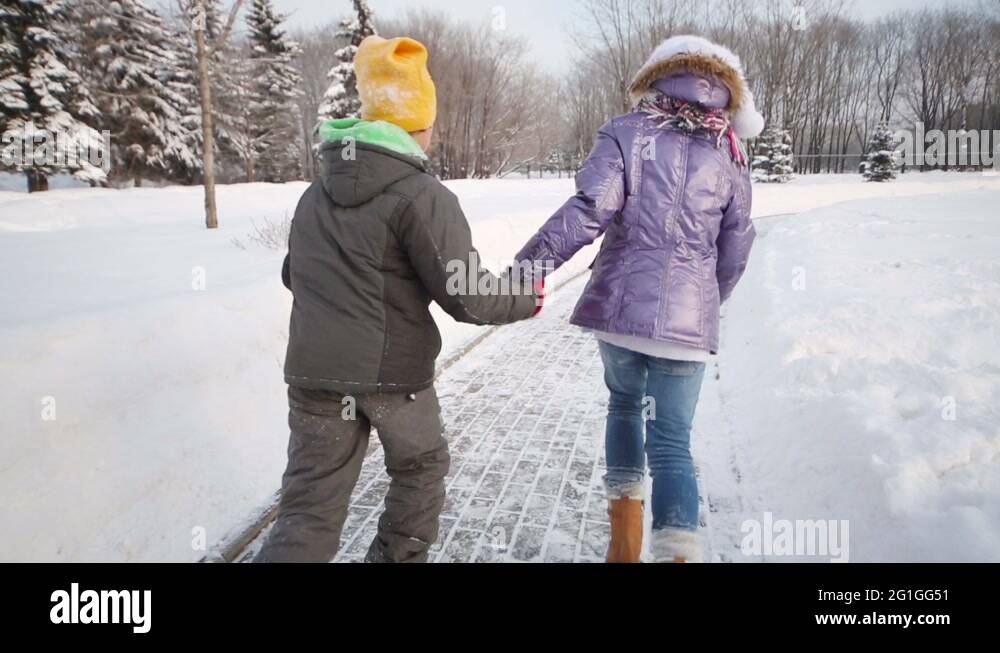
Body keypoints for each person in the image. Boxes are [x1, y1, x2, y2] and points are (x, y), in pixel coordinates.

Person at [254, 35, 539, 563]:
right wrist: (526, 299)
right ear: (418, 125)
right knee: (420, 469)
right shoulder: (423, 196)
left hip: (314, 376)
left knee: (310, 505)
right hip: (393, 379)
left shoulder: (314, 194)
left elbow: (296, 276)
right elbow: (468, 297)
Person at [514, 35, 762, 563]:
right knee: (673, 443)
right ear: (723, 95)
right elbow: (737, 244)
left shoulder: (627, 133)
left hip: (620, 314)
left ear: (655, 79)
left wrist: (527, 268)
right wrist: (704, 303)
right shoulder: (730, 156)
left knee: (624, 407)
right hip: (687, 329)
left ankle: (622, 550)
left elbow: (588, 209)